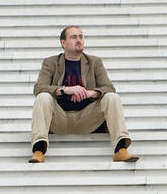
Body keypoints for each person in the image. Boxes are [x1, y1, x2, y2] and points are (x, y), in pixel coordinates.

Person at [30, 26, 138, 163]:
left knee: (112, 97)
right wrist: (65, 89)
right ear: (63, 43)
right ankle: (38, 151)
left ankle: (120, 149)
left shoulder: (94, 62)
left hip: (86, 119)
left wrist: (90, 93)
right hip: (59, 119)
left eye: (81, 37)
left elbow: (109, 88)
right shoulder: (50, 63)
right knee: (43, 97)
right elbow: (38, 88)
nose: (79, 40)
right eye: (73, 37)